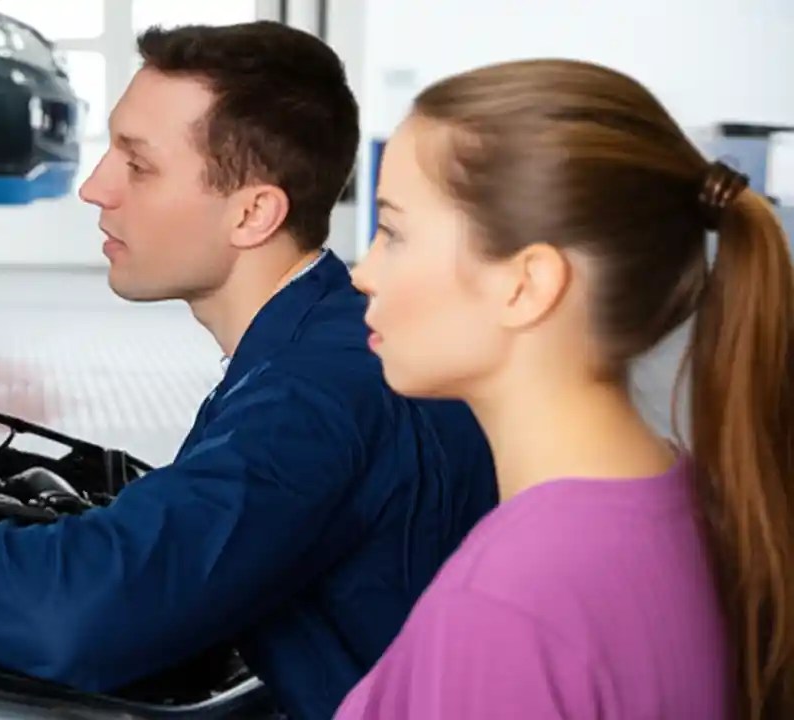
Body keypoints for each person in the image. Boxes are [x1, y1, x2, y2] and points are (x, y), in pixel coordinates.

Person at [0, 22, 497, 719]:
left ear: (253, 213)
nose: (95, 188)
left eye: (138, 165)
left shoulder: (314, 395)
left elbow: (94, 610)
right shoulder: (321, 342)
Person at [335, 57, 794, 720]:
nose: (363, 273)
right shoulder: (697, 504)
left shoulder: (505, 607)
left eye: (394, 232)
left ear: (526, 285)